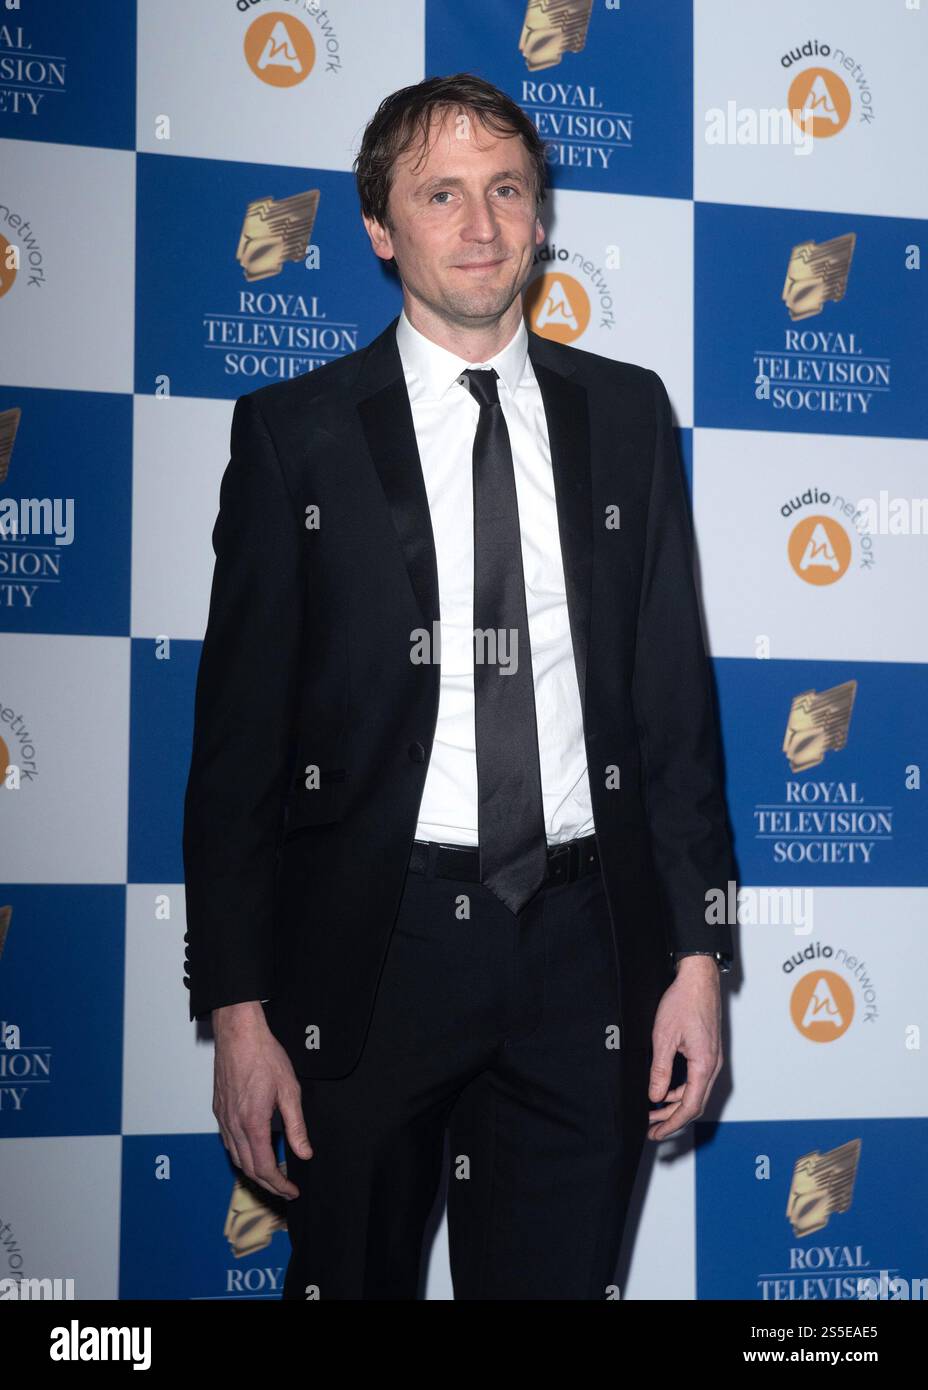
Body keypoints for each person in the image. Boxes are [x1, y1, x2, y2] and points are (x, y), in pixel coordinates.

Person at [182, 72, 736, 1301]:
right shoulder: (294, 436)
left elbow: (671, 710)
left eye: (506, 192)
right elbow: (236, 748)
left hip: (585, 952)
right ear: (381, 229)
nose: (480, 226)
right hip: (373, 955)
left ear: (541, 218)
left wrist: (696, 957)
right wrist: (238, 1012)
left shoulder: (631, 417)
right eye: (441, 194)